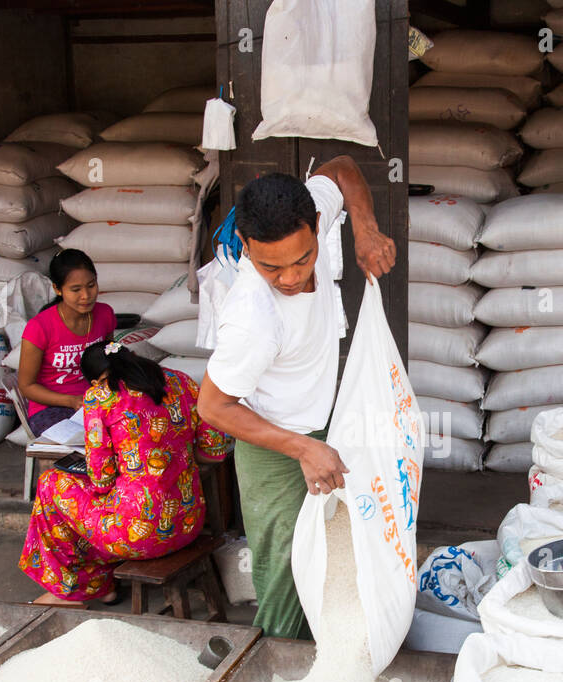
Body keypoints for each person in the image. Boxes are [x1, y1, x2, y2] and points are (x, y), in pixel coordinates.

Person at [197, 156, 396, 639]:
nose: (289, 277)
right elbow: (212, 406)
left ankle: (331, 653)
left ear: (317, 227)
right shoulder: (252, 317)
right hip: (274, 448)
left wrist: (365, 230)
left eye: (302, 260)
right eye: (270, 267)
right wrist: (302, 447)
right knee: (286, 572)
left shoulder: (309, 209)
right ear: (245, 246)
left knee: (337, 558)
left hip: (324, 425)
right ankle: (279, 673)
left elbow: (343, 168)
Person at [20, 342, 232, 605]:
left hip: (135, 535)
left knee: (51, 483)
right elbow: (214, 452)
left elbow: (102, 479)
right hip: (188, 523)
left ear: (96, 380)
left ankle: (79, 590)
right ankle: (98, 584)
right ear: (132, 358)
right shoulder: (182, 382)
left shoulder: (100, 397)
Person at [18, 249, 116, 435]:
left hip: (96, 400)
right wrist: (71, 401)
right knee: (92, 441)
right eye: (76, 290)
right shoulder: (39, 327)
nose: (86, 295)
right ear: (57, 289)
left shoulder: (104, 314)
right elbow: (26, 386)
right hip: (51, 408)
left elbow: (110, 354)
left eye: (91, 285)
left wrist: (124, 358)